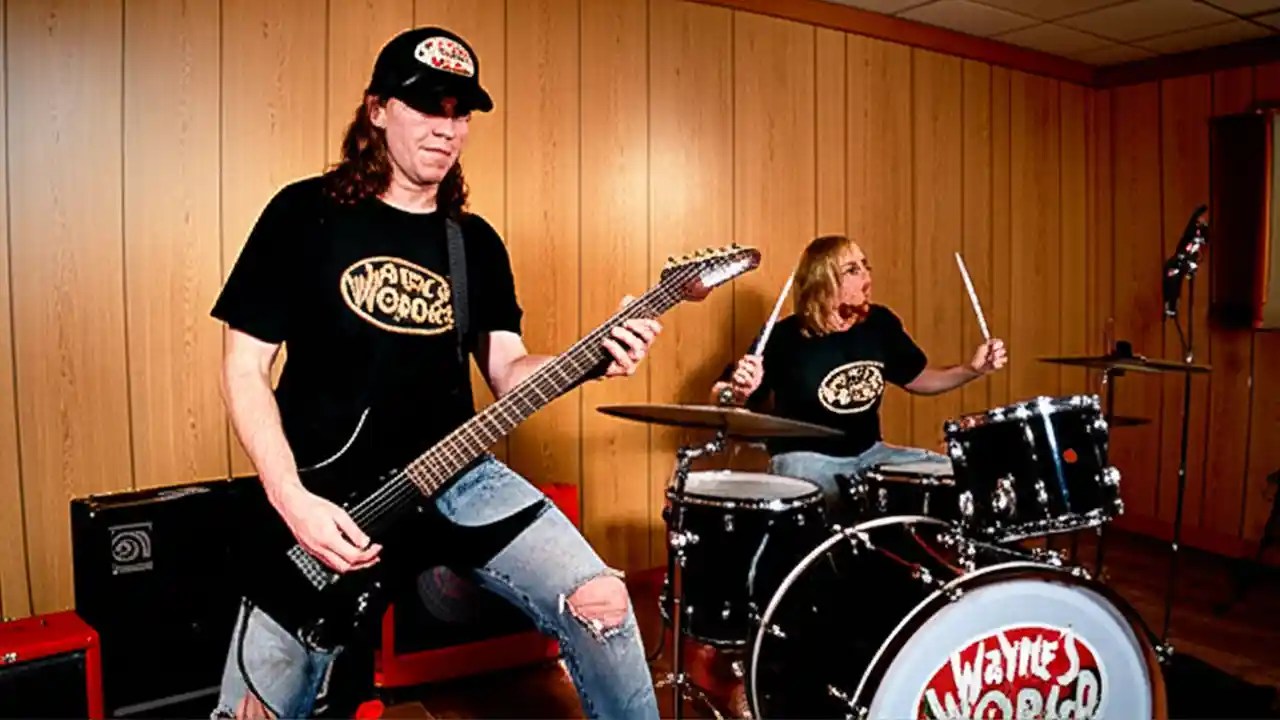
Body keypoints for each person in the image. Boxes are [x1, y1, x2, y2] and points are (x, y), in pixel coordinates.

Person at [209, 26, 661, 720]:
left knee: (601, 602)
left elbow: (510, 370)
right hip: (327, 491)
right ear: (378, 109)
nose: (446, 128)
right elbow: (244, 367)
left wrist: (592, 358)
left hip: (458, 474)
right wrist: (291, 500)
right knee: (253, 714)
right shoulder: (305, 213)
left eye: (460, 112)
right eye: (426, 106)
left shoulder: (472, 243)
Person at [710, 234, 1007, 521]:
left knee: (954, 476)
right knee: (829, 503)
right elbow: (721, 396)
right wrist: (737, 391)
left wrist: (972, 369)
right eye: (852, 269)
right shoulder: (783, 337)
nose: (866, 276)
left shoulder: (879, 324)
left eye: (866, 266)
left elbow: (918, 379)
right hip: (806, 459)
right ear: (821, 281)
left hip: (871, 454)